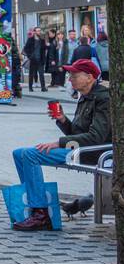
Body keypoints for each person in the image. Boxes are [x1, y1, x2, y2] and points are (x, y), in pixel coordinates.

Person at [10, 59, 113, 231]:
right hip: (81, 149)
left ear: (89, 77)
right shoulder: (85, 96)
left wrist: (59, 142)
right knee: (18, 153)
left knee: (30, 154)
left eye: (74, 75)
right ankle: (36, 207)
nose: (70, 78)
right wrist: (63, 121)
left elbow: (96, 138)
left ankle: (41, 214)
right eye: (69, 75)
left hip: (95, 153)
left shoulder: (103, 98)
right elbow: (76, 134)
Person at [23, 26, 46, 92]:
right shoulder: (30, 39)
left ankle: (43, 87)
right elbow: (26, 49)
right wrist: (30, 56)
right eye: (38, 31)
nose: (39, 32)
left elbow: (44, 50)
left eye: (40, 31)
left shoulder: (42, 40)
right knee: (31, 74)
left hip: (40, 60)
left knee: (41, 74)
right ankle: (30, 87)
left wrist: (43, 59)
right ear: (35, 32)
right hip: (33, 60)